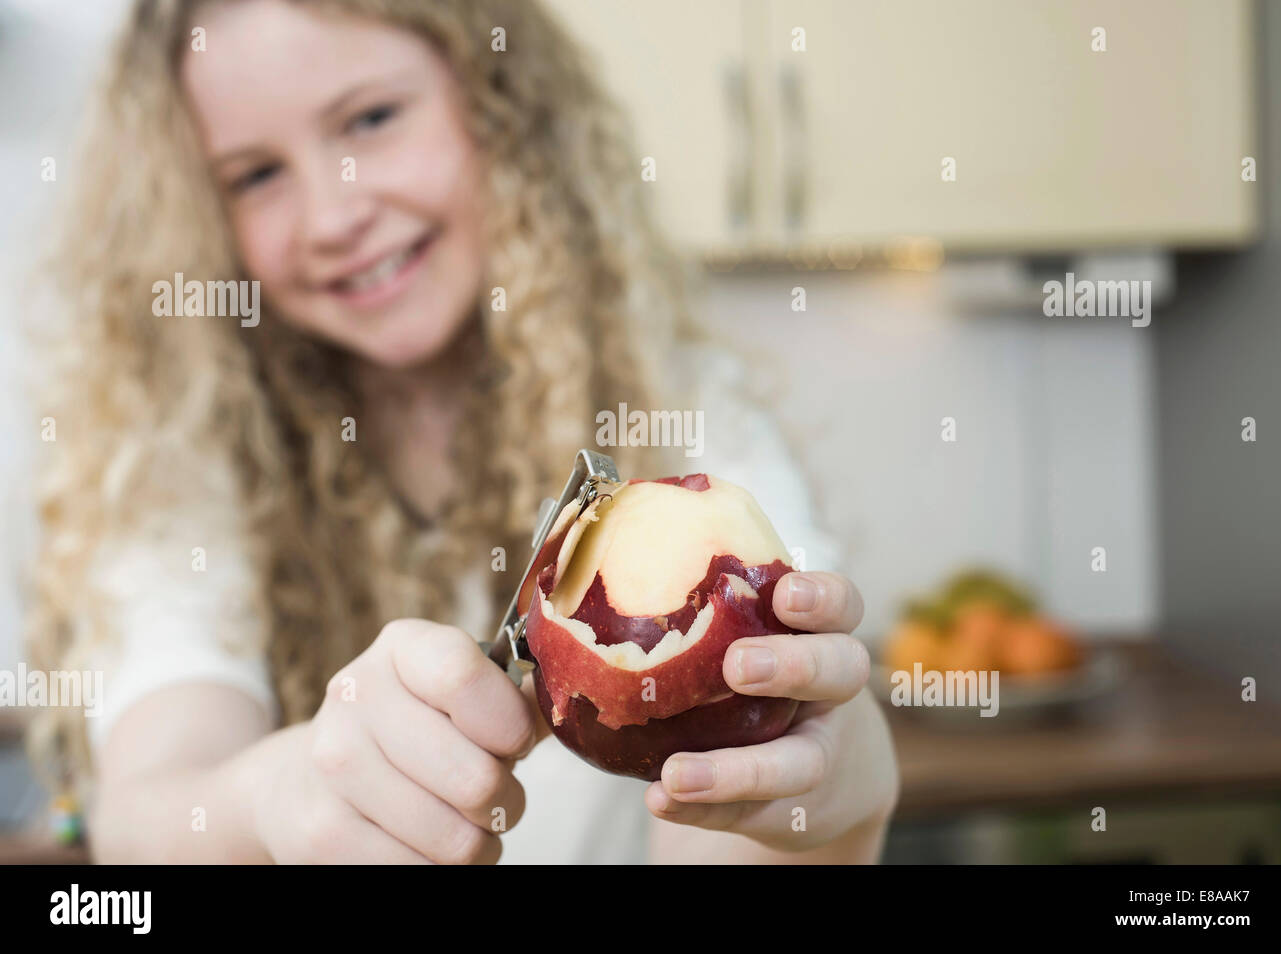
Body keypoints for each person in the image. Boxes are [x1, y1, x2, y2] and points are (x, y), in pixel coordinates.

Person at [25, 0, 898, 864]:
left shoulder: (676, 408)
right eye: (254, 176)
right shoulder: (186, 450)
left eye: (370, 119)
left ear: (500, 101)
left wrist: (822, 803)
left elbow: (733, 816)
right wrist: (269, 798)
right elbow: (148, 809)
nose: (334, 217)